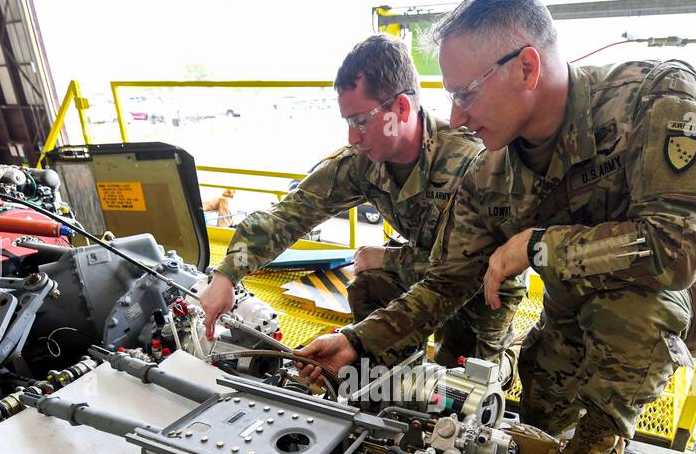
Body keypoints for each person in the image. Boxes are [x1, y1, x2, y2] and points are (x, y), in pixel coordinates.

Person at [300, 0, 696, 454]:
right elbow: (446, 281)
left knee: (628, 310)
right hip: (570, 308)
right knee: (532, 437)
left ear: (527, 67)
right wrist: (357, 342)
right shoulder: (490, 173)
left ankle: (604, 438)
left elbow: (676, 249)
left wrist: (538, 247)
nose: (456, 119)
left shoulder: (653, 98)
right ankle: (567, 438)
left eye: (465, 94)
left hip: (675, 296)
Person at [198, 33, 526, 369]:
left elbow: (462, 273)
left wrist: (391, 262)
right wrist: (227, 275)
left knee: (459, 388)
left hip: (482, 288)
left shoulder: (470, 162)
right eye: (348, 122)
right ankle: (385, 383)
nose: (352, 137)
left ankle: (504, 359)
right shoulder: (364, 159)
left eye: (361, 121)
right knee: (370, 288)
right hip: (427, 270)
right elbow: (291, 213)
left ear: (400, 107)